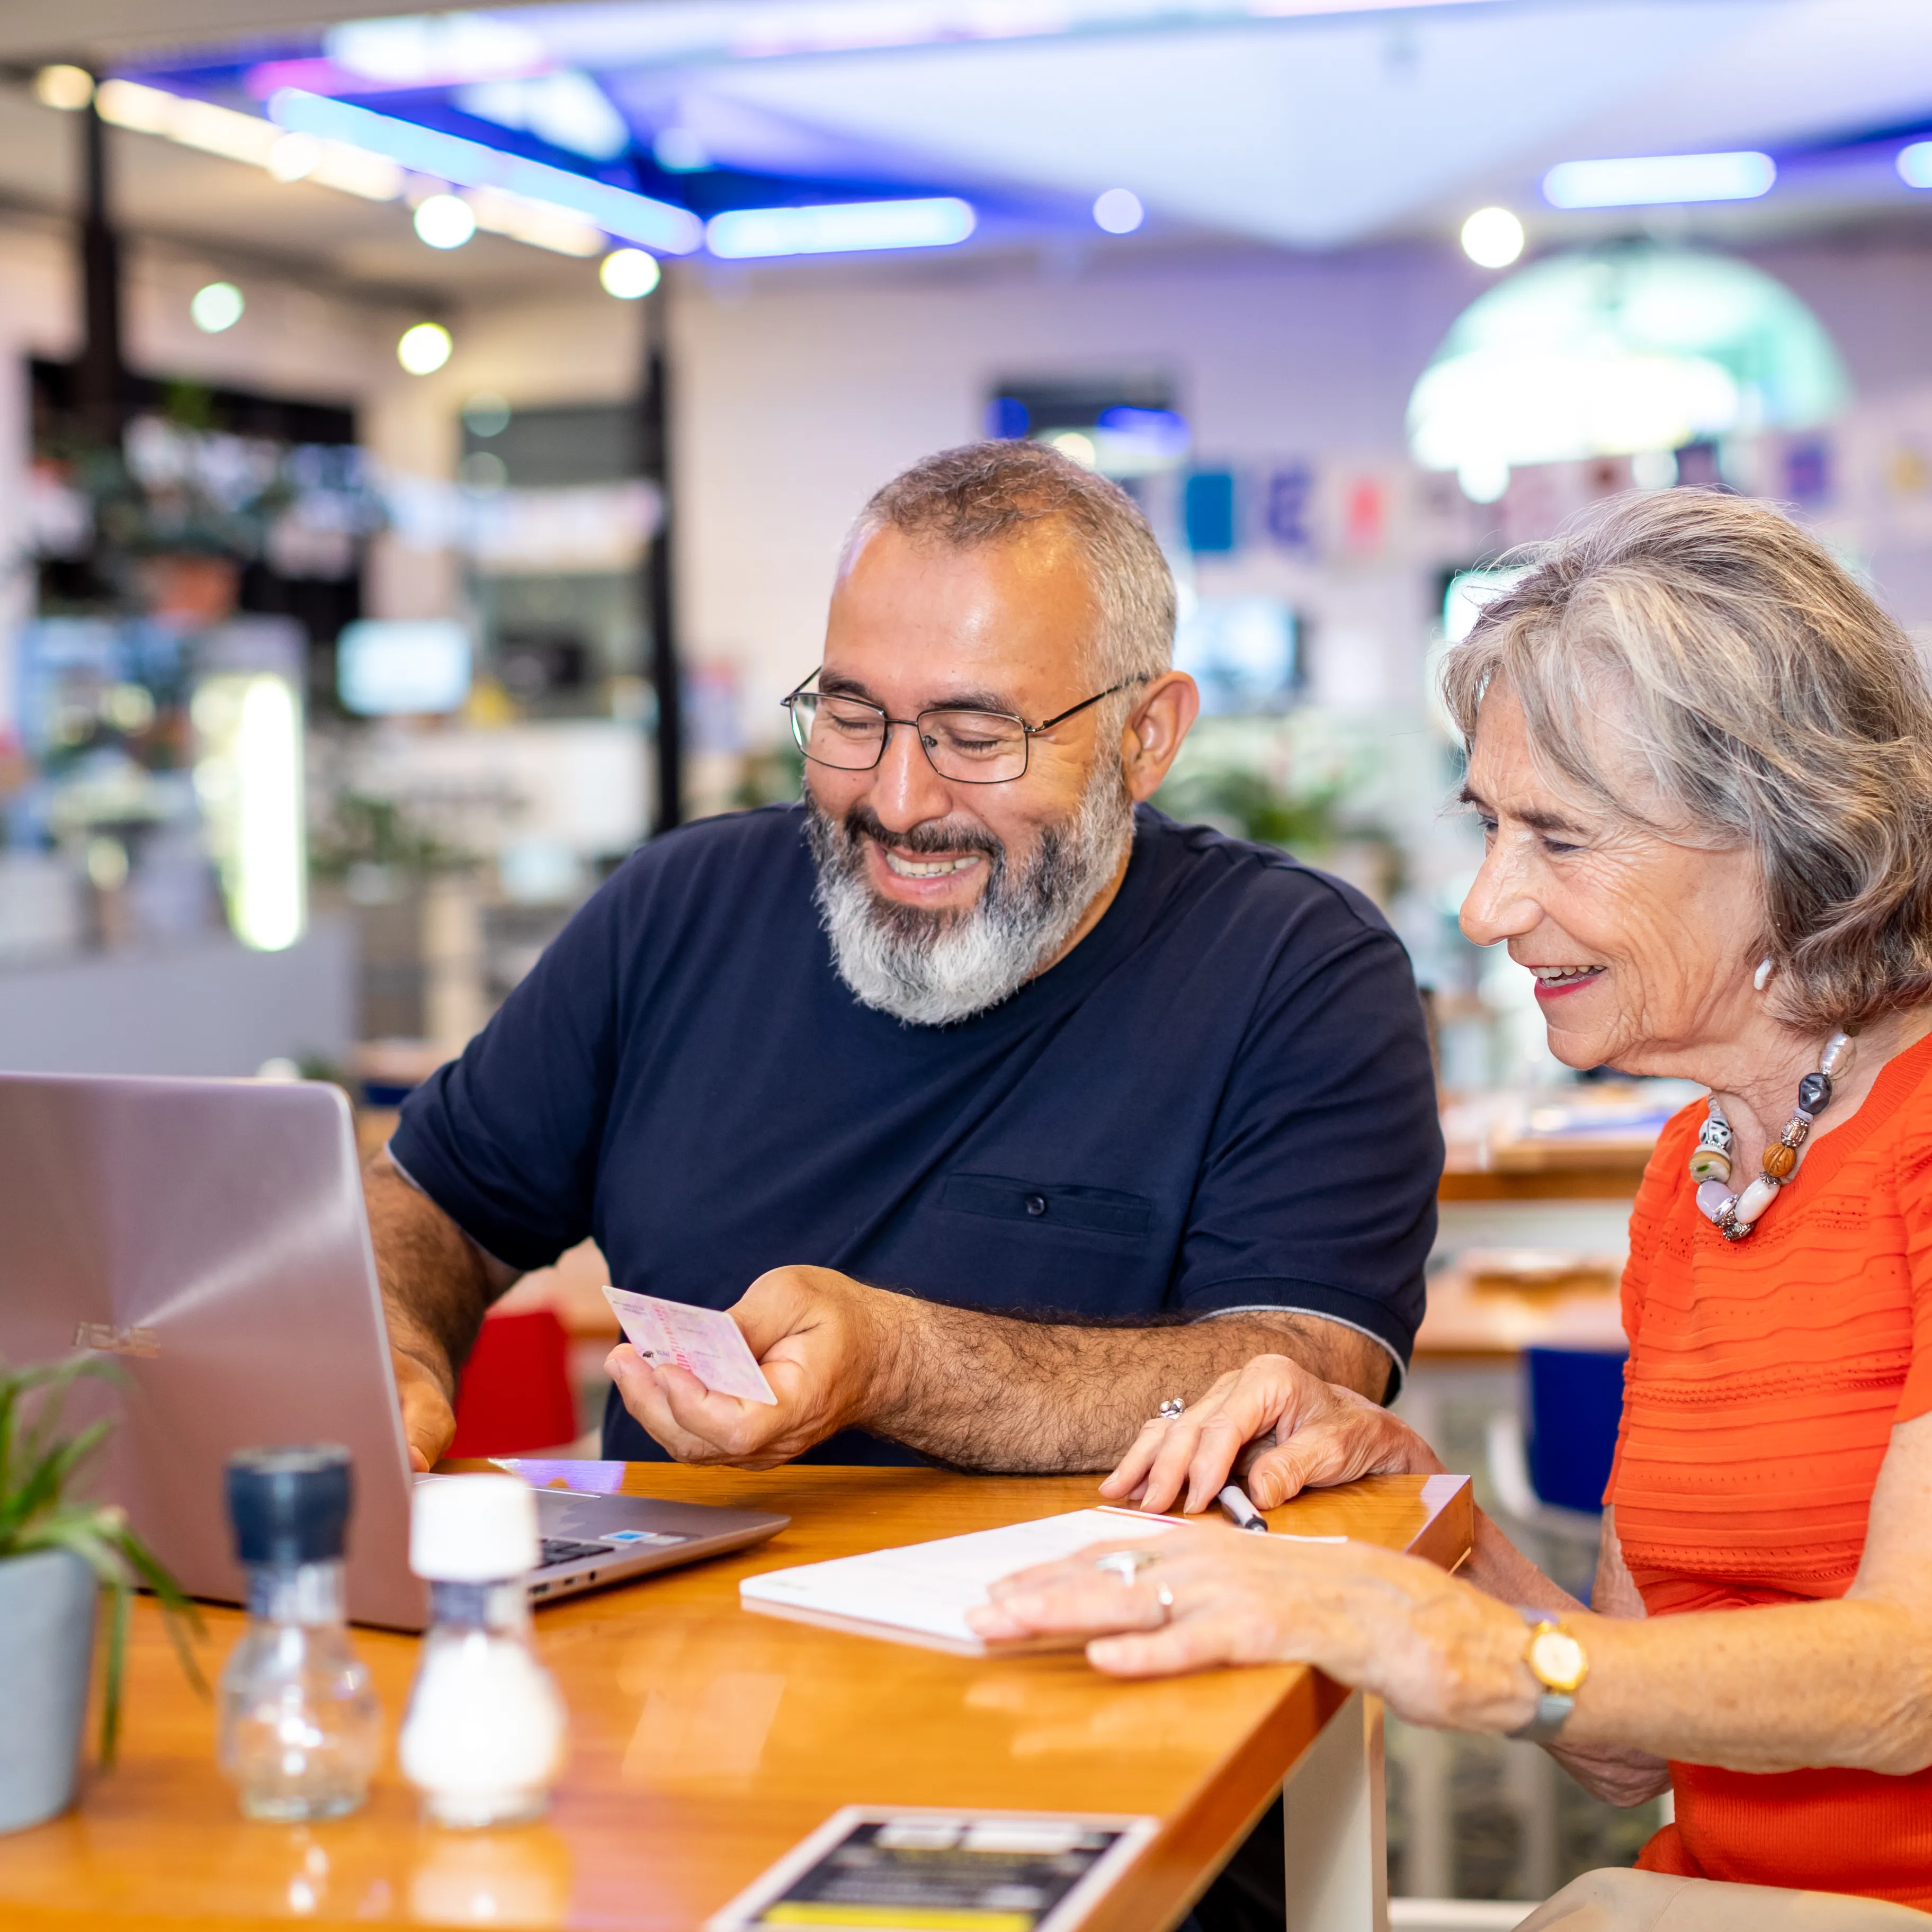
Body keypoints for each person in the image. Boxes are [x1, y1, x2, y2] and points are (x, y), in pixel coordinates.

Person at [971, 489, 1932, 1926]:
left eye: (1558, 837)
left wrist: (1443, 1642)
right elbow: (1622, 1738)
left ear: (1787, 833)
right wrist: (1414, 1503)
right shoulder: (1702, 1178)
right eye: (1491, 826)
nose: (1485, 907)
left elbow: (1912, 1680)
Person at [370, 438, 1442, 1489]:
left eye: (974, 737)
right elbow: (432, 1203)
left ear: (1145, 737)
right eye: (849, 715)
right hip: (677, 1652)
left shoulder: (1295, 972)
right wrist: (394, 1341)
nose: (896, 801)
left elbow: (1300, 1374)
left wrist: (895, 1364)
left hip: (1112, 1649)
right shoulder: (678, 910)